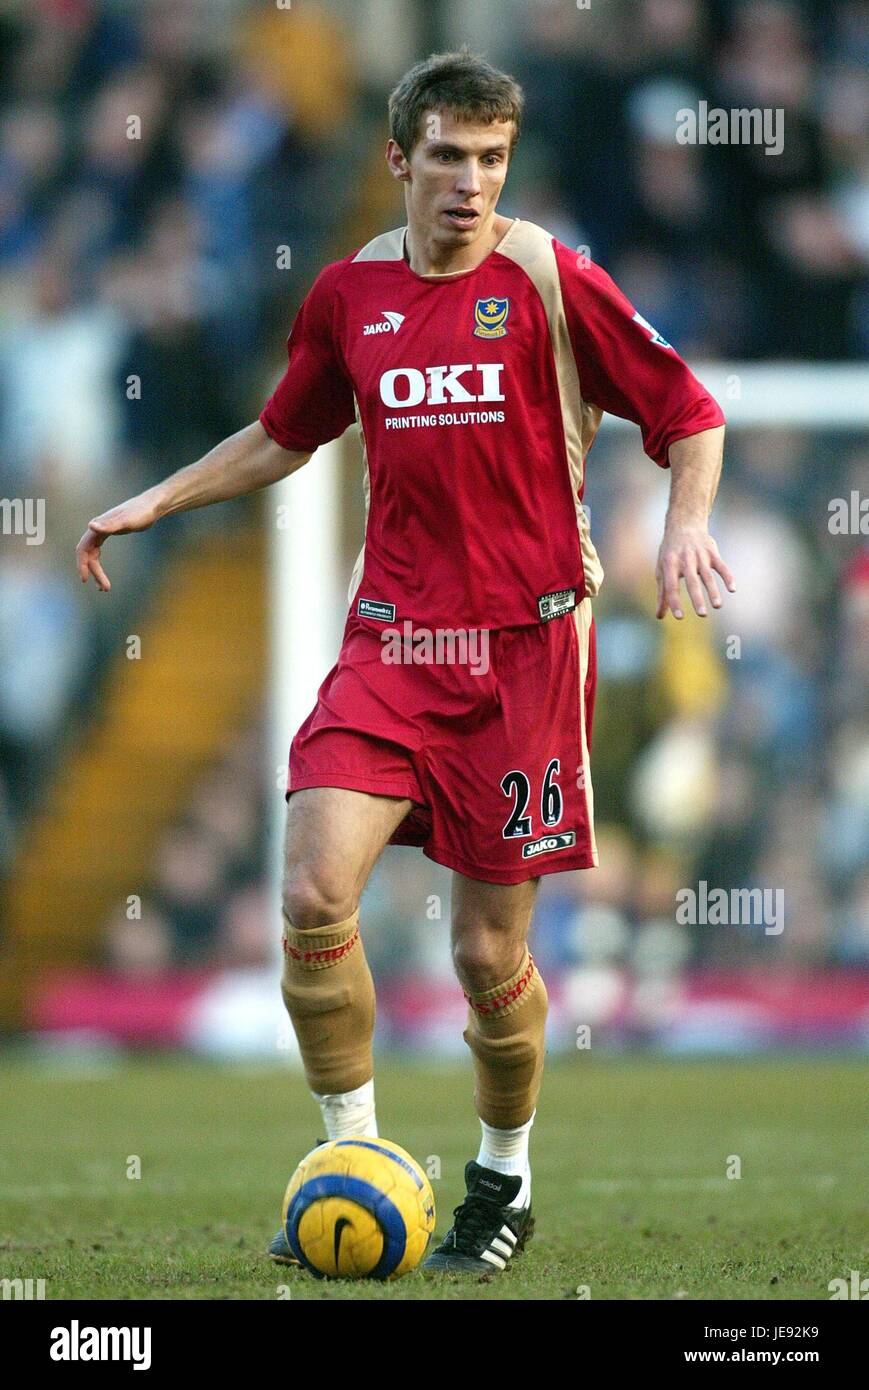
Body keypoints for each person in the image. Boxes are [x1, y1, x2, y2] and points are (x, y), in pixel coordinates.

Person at [76, 50, 733, 1276]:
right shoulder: (346, 296)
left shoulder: (548, 277)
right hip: (390, 638)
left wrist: (684, 519)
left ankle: (502, 1175)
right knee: (314, 897)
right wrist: (155, 499)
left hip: (528, 648)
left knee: (488, 960)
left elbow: (687, 410)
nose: (471, 183)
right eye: (448, 157)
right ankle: (353, 1156)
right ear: (399, 160)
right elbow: (286, 431)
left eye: (491, 159)